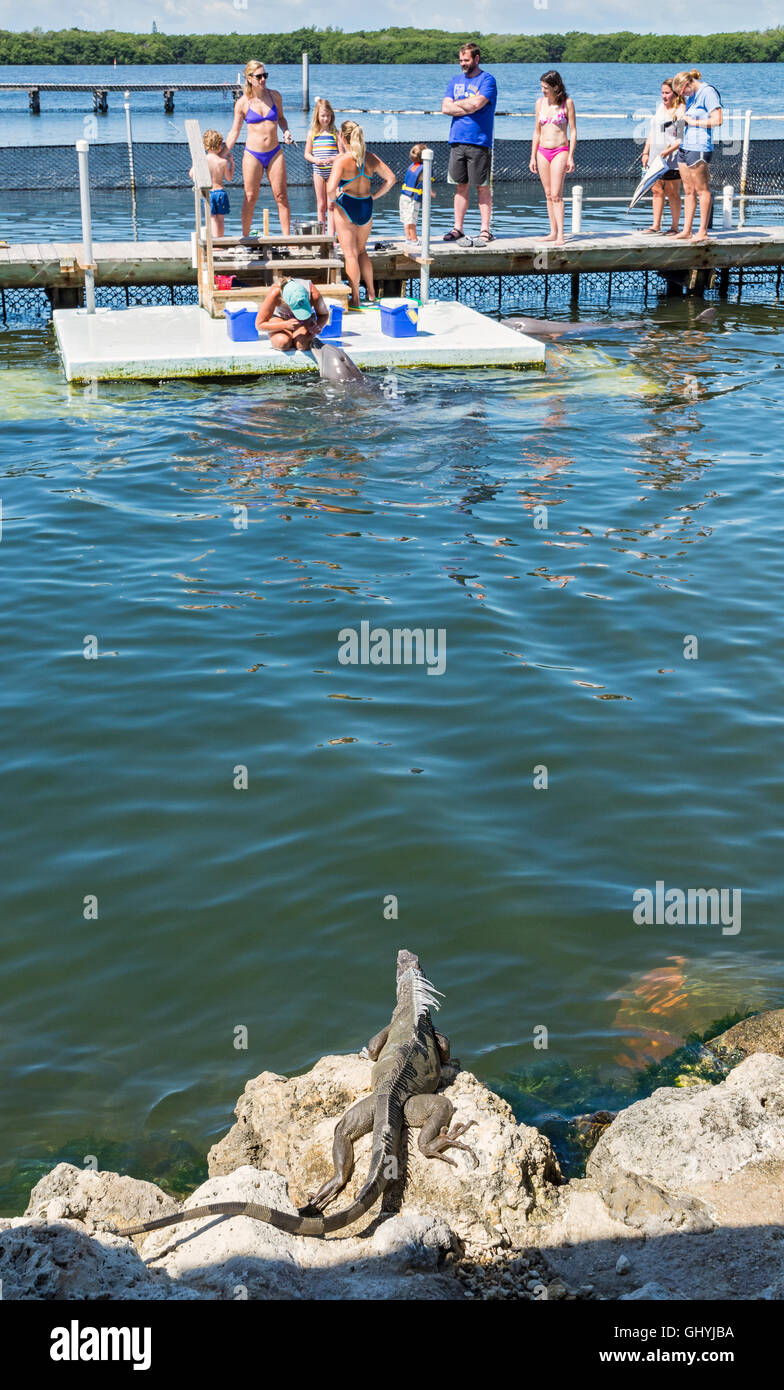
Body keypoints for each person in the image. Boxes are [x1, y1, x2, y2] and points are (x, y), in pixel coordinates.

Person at [327, 120, 396, 308]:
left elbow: (330, 188)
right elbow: (391, 179)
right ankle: (372, 294)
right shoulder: (371, 157)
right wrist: (374, 196)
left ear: (342, 137)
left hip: (347, 206)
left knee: (350, 254)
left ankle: (356, 299)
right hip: (366, 205)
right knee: (362, 251)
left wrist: (334, 198)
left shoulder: (341, 161)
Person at [225, 59, 294, 237]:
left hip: (275, 153)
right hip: (253, 154)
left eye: (265, 75)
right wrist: (222, 154)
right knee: (250, 197)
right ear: (249, 78)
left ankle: (288, 240)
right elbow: (234, 132)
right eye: (259, 76)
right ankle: (246, 238)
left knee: (281, 196)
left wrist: (285, 130)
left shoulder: (275, 96)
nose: (263, 79)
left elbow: (281, 118)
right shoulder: (242, 103)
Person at [441, 40, 497, 245]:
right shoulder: (455, 80)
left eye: (466, 60)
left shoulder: (487, 80)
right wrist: (463, 106)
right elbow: (445, 108)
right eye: (460, 60)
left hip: (479, 140)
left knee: (481, 187)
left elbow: (476, 104)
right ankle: (458, 228)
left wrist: (459, 105)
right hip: (457, 139)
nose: (463, 64)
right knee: (459, 186)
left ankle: (485, 230)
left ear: (476, 59)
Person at [666, 69, 722, 243]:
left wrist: (694, 122)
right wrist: (679, 120)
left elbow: (718, 120)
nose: (682, 95)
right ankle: (687, 230)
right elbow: (685, 121)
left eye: (683, 92)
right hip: (685, 146)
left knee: (701, 190)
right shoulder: (690, 96)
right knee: (688, 190)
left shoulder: (707, 92)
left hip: (699, 147)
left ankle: (702, 231)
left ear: (688, 84)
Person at [529, 70, 576, 246]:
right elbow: (536, 131)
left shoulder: (567, 103)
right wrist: (532, 156)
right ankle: (552, 231)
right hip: (542, 151)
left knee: (557, 194)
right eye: (541, 87)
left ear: (555, 87)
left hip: (560, 150)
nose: (543, 90)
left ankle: (561, 234)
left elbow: (573, 131)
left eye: (545, 87)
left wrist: (570, 156)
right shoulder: (539, 103)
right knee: (548, 193)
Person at [639, 80, 684, 235]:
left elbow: (680, 138)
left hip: (672, 158)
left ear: (675, 93)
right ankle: (655, 225)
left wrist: (667, 151)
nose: (664, 96)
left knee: (672, 192)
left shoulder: (679, 110)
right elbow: (653, 132)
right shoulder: (660, 108)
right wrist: (645, 152)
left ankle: (674, 226)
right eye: (662, 92)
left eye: (667, 93)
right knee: (656, 190)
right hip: (655, 158)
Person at [255, 278, 329, 352]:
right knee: (282, 343)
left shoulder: (314, 294)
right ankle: (288, 338)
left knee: (302, 345)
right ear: (284, 301)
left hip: (304, 320)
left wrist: (319, 326)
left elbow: (324, 314)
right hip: (279, 318)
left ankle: (295, 339)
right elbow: (259, 325)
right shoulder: (275, 294)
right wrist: (284, 325)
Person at [304, 98, 339, 236]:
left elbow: (343, 154)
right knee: (321, 205)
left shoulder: (335, 133)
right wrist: (315, 160)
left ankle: (331, 235)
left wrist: (332, 159)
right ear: (317, 116)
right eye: (323, 116)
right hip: (318, 171)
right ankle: (321, 235)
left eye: (328, 116)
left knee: (331, 205)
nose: (326, 119)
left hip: (332, 172)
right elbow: (307, 153)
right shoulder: (312, 133)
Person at [190, 129, 234, 238]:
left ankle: (213, 242)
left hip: (208, 193)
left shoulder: (202, 160)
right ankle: (220, 242)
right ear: (219, 146)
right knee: (220, 220)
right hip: (220, 193)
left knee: (212, 219)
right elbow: (228, 178)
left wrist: (200, 180)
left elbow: (191, 174)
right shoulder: (222, 162)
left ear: (205, 145)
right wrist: (232, 164)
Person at [399, 143, 433, 246]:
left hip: (404, 196)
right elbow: (425, 183)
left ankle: (408, 238)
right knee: (412, 220)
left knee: (406, 219)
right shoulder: (423, 169)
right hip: (412, 198)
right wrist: (431, 192)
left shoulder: (413, 166)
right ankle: (414, 240)